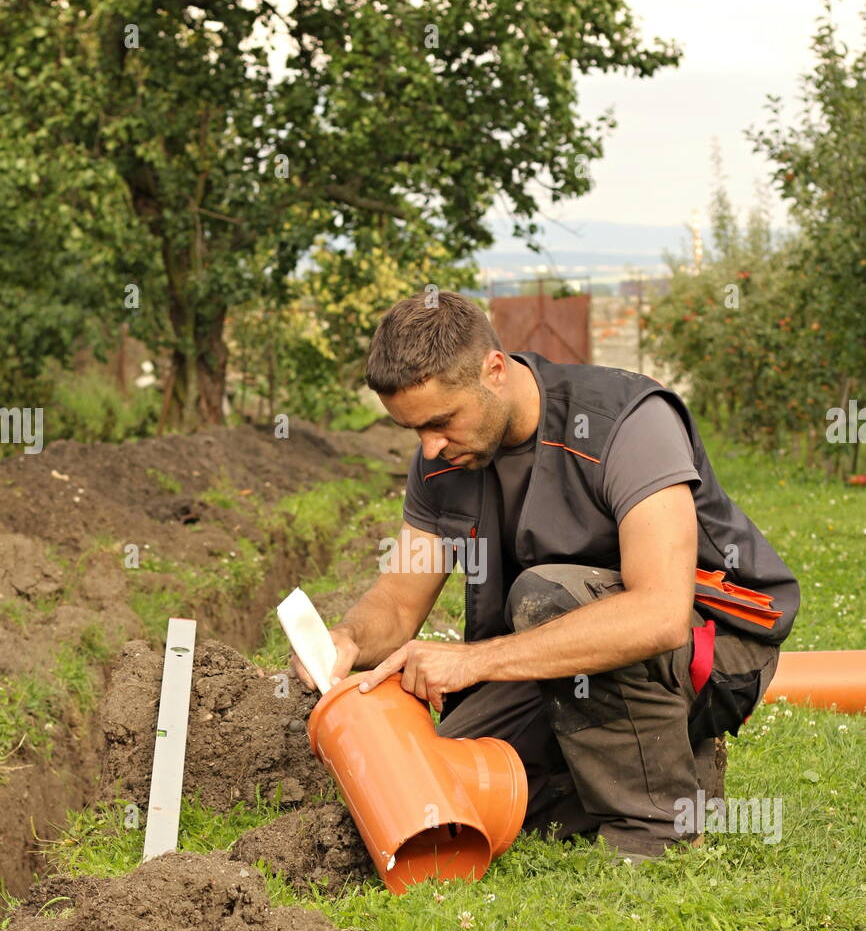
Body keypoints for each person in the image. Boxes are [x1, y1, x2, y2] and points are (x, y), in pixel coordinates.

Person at [291, 291, 800, 863]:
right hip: (564, 655)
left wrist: (474, 661)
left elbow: (660, 615)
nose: (429, 446)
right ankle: (675, 768)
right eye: (413, 431)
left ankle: (657, 827)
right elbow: (398, 600)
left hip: (714, 645)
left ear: (494, 370)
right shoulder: (440, 460)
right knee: (443, 777)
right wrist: (349, 638)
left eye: (440, 422)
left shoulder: (626, 423)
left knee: (545, 596)